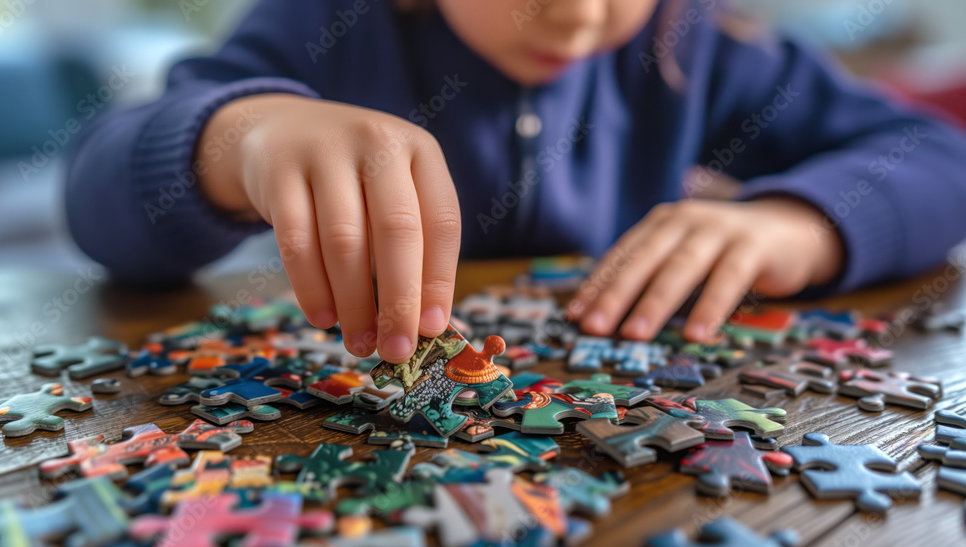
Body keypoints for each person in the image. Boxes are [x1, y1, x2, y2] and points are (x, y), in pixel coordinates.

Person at [65, 0, 966, 363]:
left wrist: (799, 225)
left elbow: (936, 156)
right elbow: (99, 193)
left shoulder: (701, 44)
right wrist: (236, 137)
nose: (577, 13)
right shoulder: (323, 20)